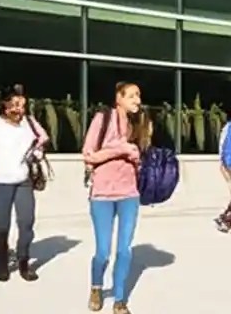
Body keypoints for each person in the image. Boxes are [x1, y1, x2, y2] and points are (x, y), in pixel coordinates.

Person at [82, 82, 150, 314]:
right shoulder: (102, 119)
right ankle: (96, 286)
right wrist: (119, 149)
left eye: (138, 96)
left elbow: (141, 160)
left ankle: (120, 300)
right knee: (103, 251)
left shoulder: (139, 123)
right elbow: (88, 155)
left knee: (124, 250)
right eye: (131, 95)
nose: (137, 100)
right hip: (102, 195)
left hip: (129, 194)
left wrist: (138, 157)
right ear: (118, 98)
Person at [0, 84, 48, 282]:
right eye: (15, 105)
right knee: (2, 225)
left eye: (22, 105)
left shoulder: (29, 122)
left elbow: (41, 139)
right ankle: (2, 261)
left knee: (26, 222)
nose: (19, 109)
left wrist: (37, 153)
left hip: (23, 179)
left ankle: (23, 261)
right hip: (0, 181)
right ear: (4, 106)